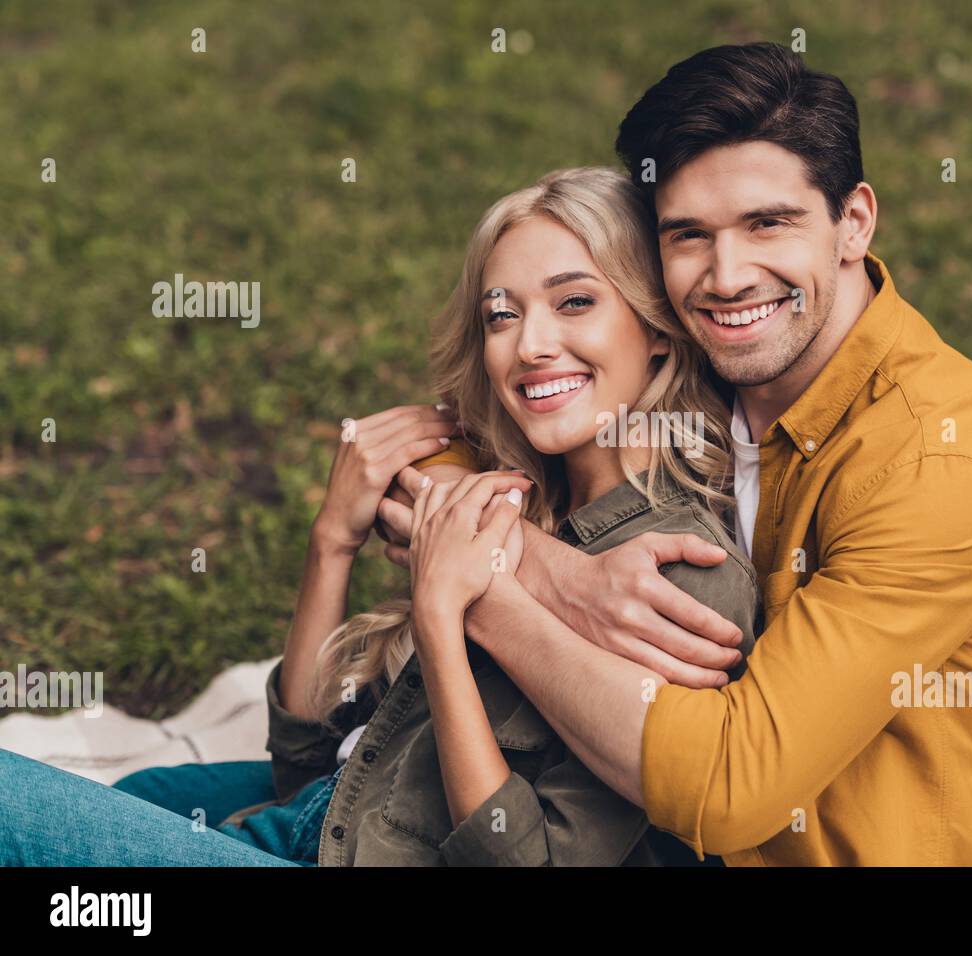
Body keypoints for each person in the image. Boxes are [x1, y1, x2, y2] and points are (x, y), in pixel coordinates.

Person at [379, 42, 972, 866]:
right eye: (689, 235)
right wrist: (558, 571)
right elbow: (432, 442)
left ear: (854, 221)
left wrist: (483, 591)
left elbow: (732, 787)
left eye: (769, 223)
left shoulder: (939, 462)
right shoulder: (703, 368)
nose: (727, 277)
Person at [0, 166, 757, 867]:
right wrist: (332, 540)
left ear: (658, 326)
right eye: (501, 315)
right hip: (322, 819)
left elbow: (523, 859)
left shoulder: (676, 574)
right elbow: (300, 759)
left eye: (575, 302)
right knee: (125, 809)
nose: (530, 345)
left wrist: (442, 613)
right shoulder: (509, 502)